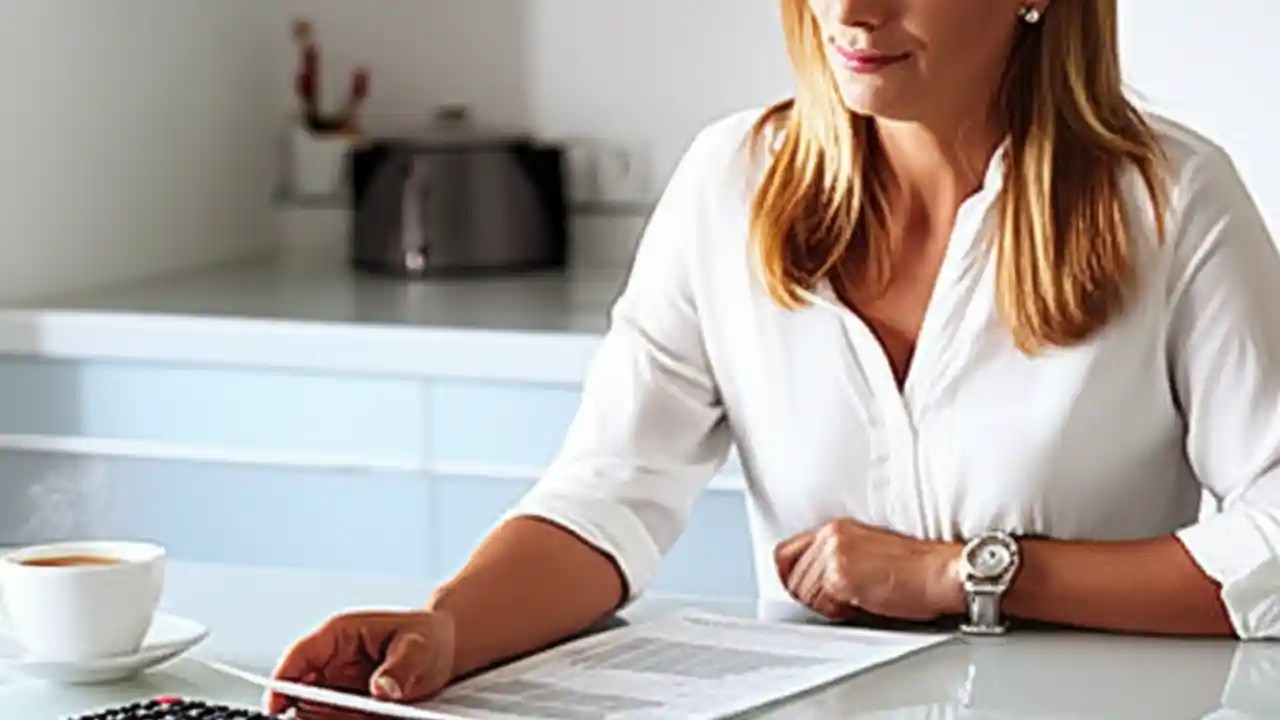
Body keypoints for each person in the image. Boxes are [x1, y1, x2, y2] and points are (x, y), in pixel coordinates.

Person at [269, 0, 1280, 712]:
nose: (849, 9)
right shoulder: (729, 182)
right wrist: (445, 626)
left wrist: (960, 576)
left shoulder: (1171, 202)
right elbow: (604, 497)